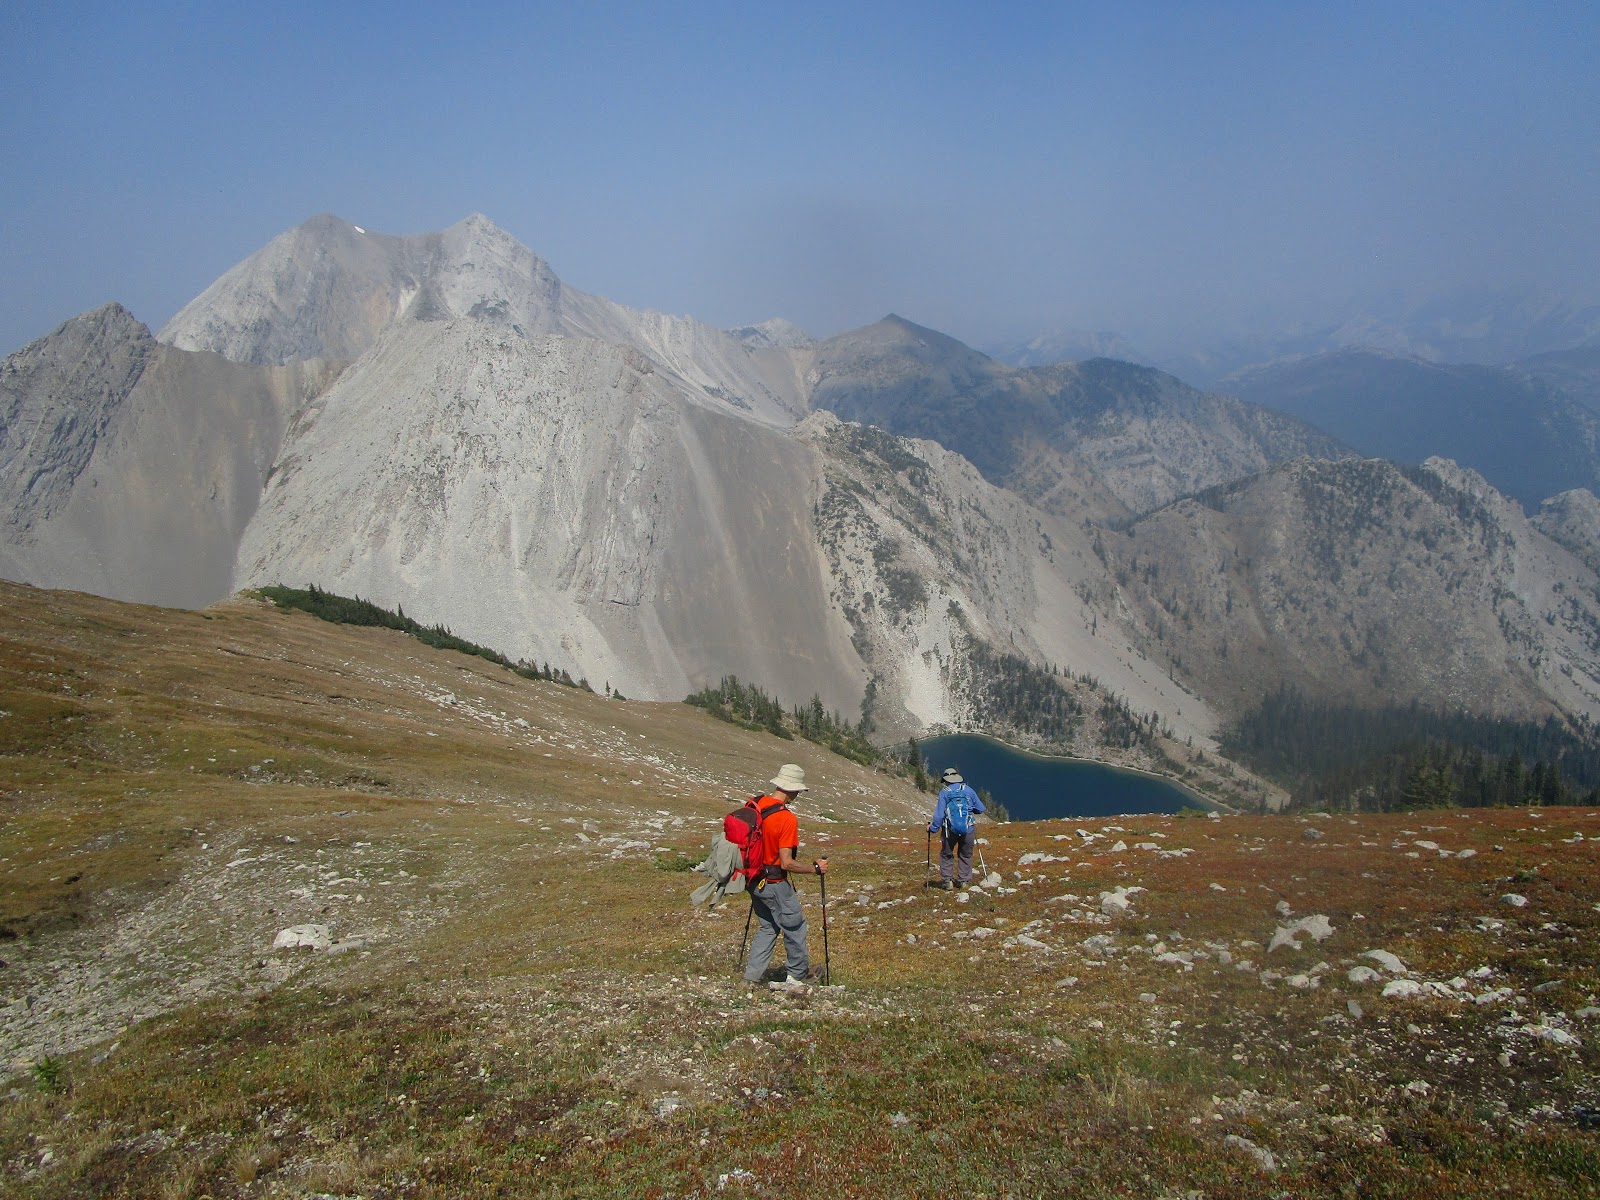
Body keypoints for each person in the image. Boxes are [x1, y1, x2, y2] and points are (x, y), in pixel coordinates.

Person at [743, 763, 828, 993]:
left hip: (752, 880)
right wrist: (815, 868)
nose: (798, 795)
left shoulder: (756, 803)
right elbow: (786, 862)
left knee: (769, 926)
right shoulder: (786, 819)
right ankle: (797, 977)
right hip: (774, 883)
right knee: (795, 926)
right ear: (792, 790)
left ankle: (752, 976)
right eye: (798, 791)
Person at [929, 766, 985, 889]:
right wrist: (971, 809)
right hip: (968, 829)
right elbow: (981, 809)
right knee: (965, 855)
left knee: (946, 854)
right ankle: (963, 881)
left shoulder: (945, 792)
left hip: (950, 830)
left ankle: (947, 881)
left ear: (946, 780)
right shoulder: (968, 790)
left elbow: (939, 815)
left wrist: (932, 828)